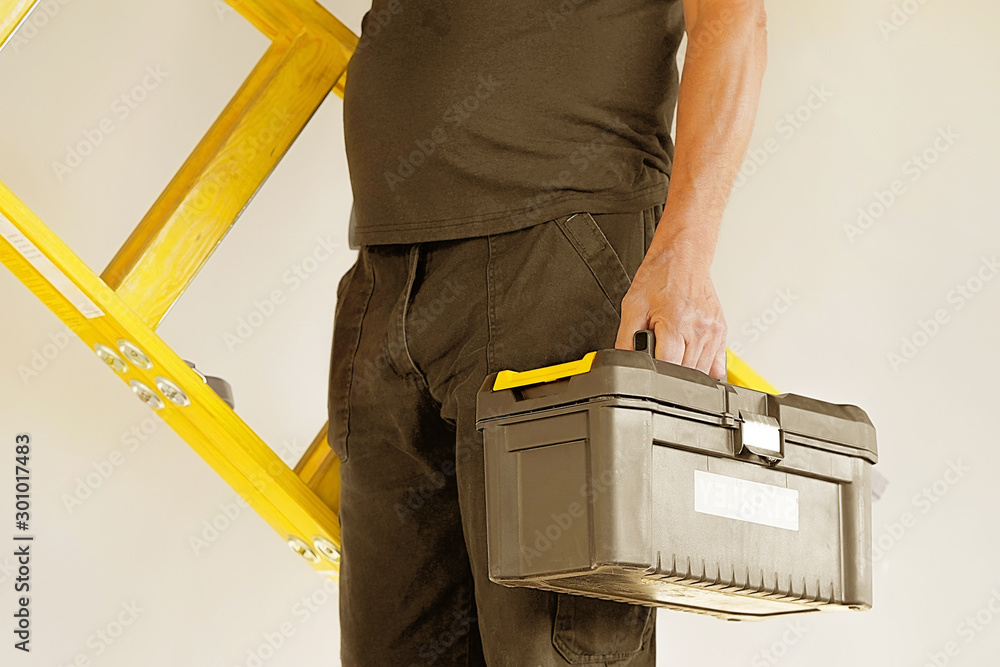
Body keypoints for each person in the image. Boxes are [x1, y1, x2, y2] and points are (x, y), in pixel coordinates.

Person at [328, 0, 767, 663]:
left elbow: (733, 18)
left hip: (559, 248)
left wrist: (686, 253)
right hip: (387, 270)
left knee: (557, 647)